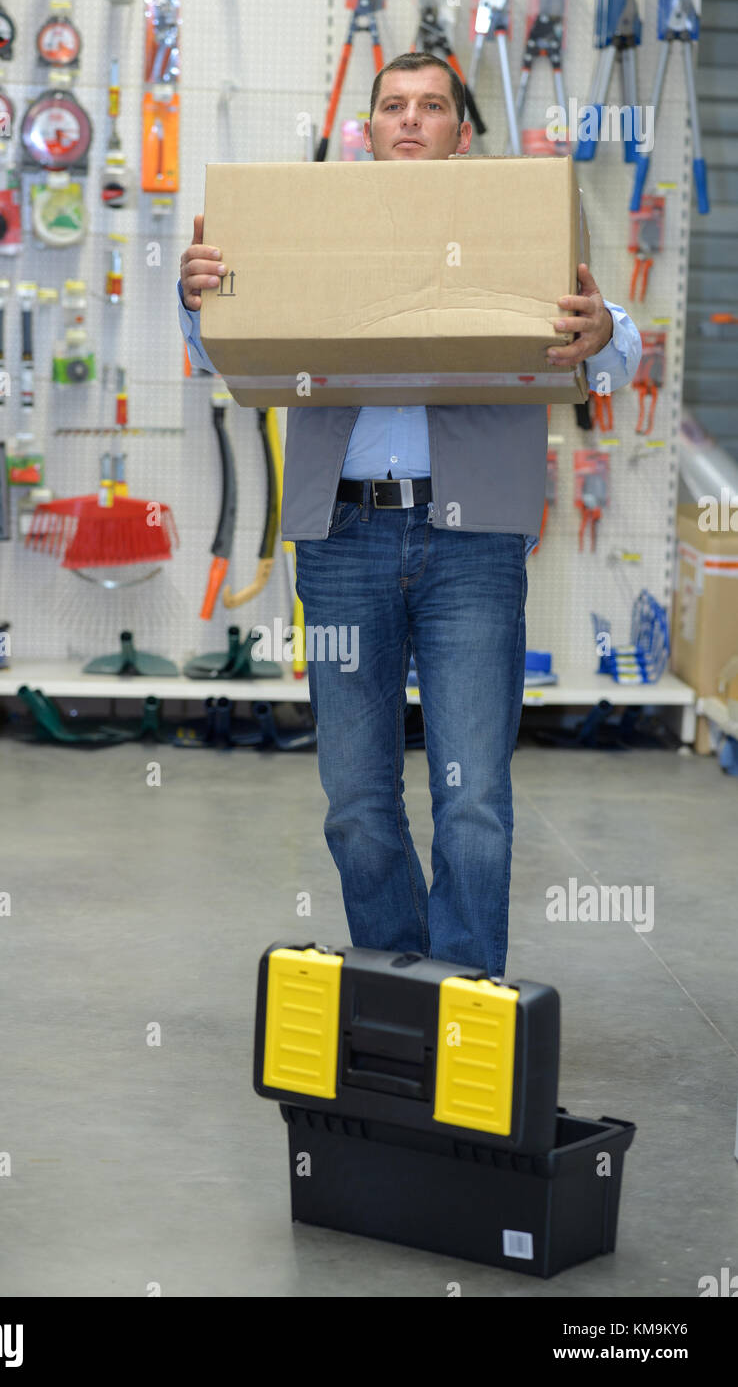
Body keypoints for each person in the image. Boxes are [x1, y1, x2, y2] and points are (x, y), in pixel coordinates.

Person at [177, 52, 642, 975]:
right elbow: (218, 354)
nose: (412, 120)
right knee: (356, 800)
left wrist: (604, 332)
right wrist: (198, 297)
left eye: (433, 107)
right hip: (345, 542)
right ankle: (400, 994)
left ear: (462, 134)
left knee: (471, 798)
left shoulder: (517, 224)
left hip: (472, 545)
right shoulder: (310, 231)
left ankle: (467, 1004)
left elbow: (608, 338)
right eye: (395, 105)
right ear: (370, 129)